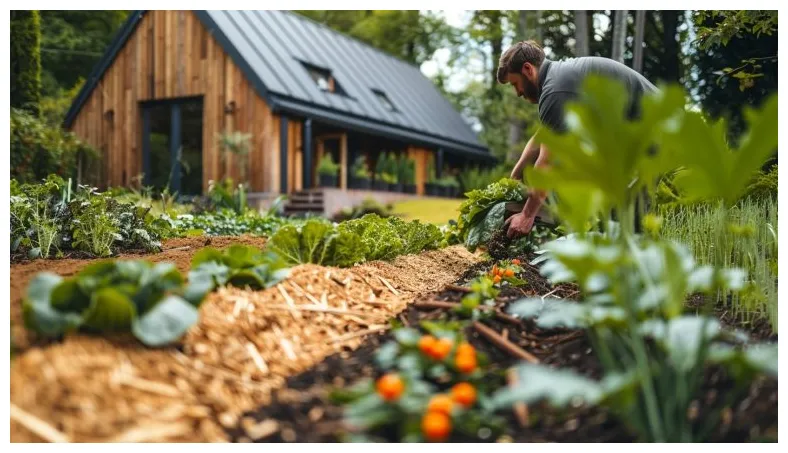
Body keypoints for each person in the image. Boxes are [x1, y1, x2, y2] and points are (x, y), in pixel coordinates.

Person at [497, 40, 659, 238]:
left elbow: (546, 165)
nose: (518, 92)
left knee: (628, 220)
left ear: (528, 69)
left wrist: (526, 216)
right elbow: (542, 139)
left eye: (515, 84)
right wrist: (514, 178)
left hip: (658, 138)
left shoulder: (556, 90)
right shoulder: (557, 80)